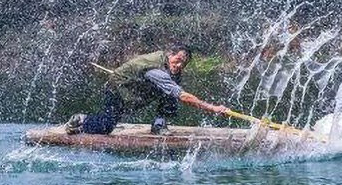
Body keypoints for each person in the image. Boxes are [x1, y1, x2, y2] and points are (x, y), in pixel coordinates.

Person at [65, 43, 229, 135]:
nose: (179, 66)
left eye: (183, 64)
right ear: (169, 55)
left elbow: (173, 91)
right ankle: (81, 119)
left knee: (170, 91)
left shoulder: (168, 67)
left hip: (135, 89)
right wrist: (213, 108)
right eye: (177, 60)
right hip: (118, 91)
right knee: (106, 127)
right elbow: (183, 97)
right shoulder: (156, 71)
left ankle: (159, 124)